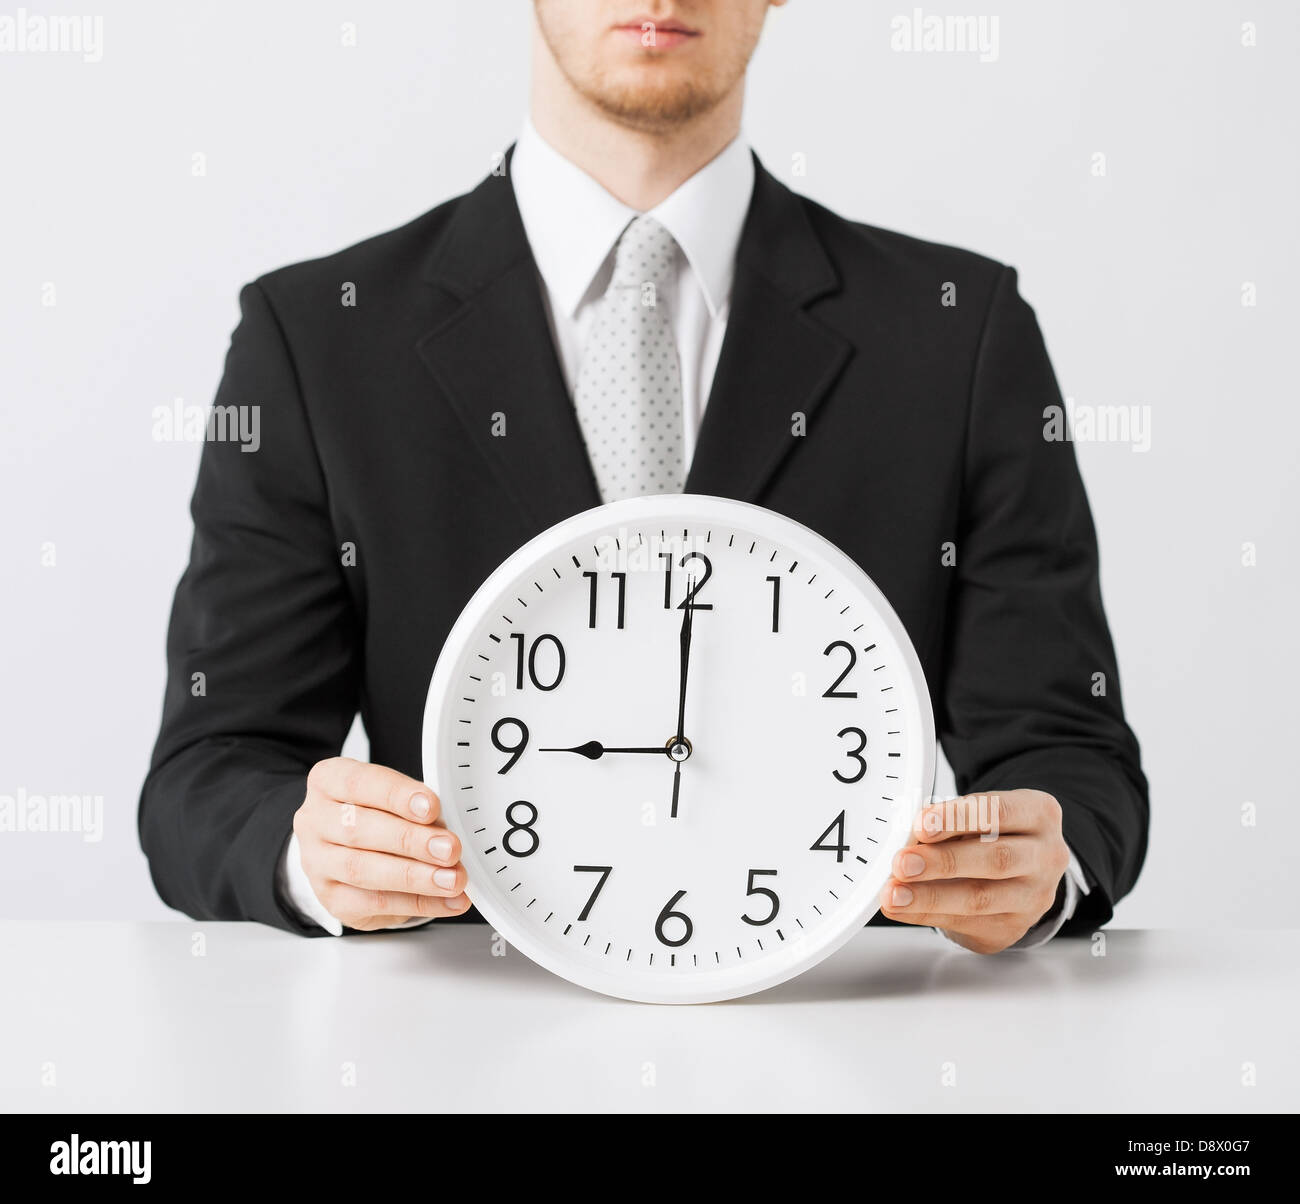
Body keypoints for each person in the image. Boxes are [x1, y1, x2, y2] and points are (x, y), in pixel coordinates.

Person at [139, 0, 1147, 955]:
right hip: (455, 1042)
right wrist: (308, 853)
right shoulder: (319, 340)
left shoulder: (952, 332)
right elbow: (211, 771)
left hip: (839, 1035)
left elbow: (1068, 755)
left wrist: (1037, 868)